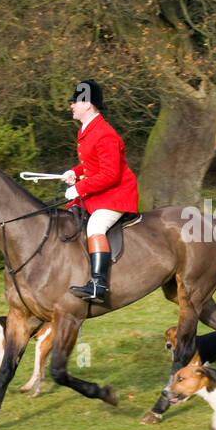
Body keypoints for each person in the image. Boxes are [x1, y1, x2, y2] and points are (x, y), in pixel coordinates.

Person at [61, 79, 139, 304]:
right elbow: (91, 165)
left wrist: (78, 188)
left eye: (75, 102)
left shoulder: (104, 133)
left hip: (116, 195)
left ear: (87, 104)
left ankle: (98, 284)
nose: (72, 106)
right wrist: (74, 172)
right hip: (98, 193)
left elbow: (110, 174)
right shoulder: (87, 130)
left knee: (95, 226)